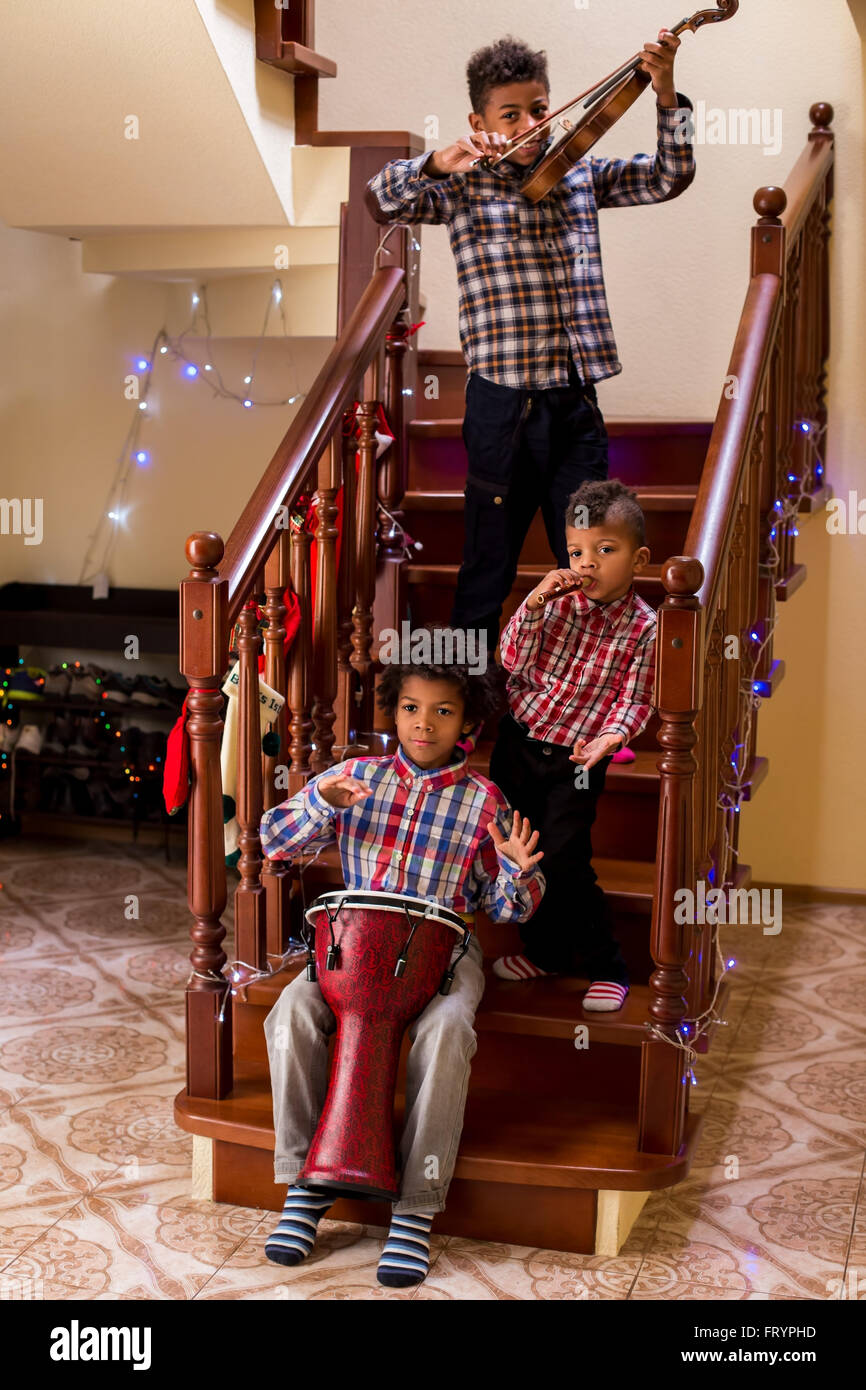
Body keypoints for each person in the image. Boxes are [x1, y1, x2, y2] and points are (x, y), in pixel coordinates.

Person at [365, 31, 694, 656]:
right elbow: (380, 198)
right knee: (487, 563)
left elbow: (669, 176)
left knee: (593, 566)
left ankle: (588, 698)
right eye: (511, 114)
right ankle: (468, 698)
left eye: (539, 108)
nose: (532, 124)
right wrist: (440, 160)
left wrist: (665, 88)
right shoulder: (460, 186)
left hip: (575, 401)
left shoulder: (579, 173)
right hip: (501, 408)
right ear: (479, 121)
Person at [258, 646, 545, 1287]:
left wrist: (520, 876)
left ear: (466, 722)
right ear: (392, 711)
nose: (424, 723)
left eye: (443, 712)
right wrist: (321, 805)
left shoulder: (485, 800)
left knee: (447, 1031)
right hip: (350, 947)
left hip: (444, 947)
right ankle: (308, 1182)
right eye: (411, 708)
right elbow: (273, 845)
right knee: (291, 1016)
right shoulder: (354, 776)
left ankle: (415, 1209)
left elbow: (504, 907)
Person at [489, 479, 656, 1012]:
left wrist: (611, 737)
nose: (588, 563)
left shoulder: (647, 628)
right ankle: (546, 950)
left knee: (564, 859)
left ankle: (608, 965)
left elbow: (635, 699)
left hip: (576, 762)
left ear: (638, 559)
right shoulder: (554, 606)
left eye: (606, 551)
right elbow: (512, 661)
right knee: (518, 852)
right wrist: (535, 600)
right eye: (578, 551)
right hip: (518, 744)